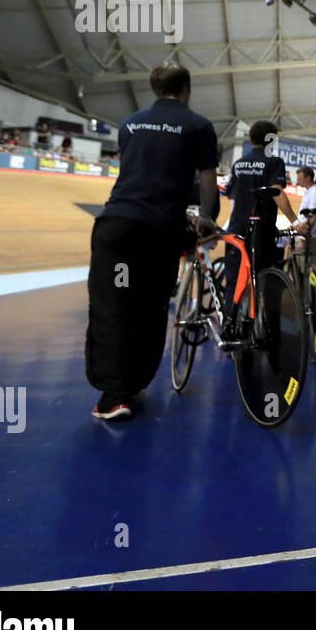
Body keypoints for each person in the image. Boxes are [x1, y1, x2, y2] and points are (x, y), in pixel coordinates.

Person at [85, 63, 219, 420]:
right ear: (187, 89)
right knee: (151, 307)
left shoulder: (130, 123)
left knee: (113, 305)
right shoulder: (200, 126)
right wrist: (205, 219)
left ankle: (115, 394)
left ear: (154, 88)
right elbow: (207, 182)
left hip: (117, 228)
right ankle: (133, 384)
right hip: (161, 233)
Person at [223, 121, 297, 316]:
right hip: (260, 233)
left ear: (250, 139)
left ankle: (229, 328)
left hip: (236, 229)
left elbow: (231, 194)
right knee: (262, 280)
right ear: (272, 141)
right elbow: (277, 192)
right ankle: (260, 330)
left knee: (233, 282)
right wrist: (296, 222)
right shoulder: (274, 162)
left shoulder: (239, 164)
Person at [290, 165, 316, 267]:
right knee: (304, 269)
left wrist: (304, 236)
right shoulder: (310, 192)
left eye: (299, 178)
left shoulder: (314, 193)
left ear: (308, 178)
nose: (297, 181)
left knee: (306, 270)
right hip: (308, 236)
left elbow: (312, 216)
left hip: (309, 238)